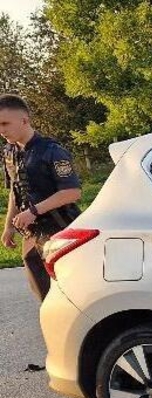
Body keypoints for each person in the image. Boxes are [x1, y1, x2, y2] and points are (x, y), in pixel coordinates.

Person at [1, 94, 82, 301]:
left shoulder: (52, 151)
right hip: (32, 233)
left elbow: (72, 193)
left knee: (71, 289)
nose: (2, 130)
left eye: (5, 123)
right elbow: (15, 191)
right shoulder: (9, 152)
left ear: (24, 120)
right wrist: (9, 225)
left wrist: (33, 211)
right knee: (42, 289)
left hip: (60, 229)